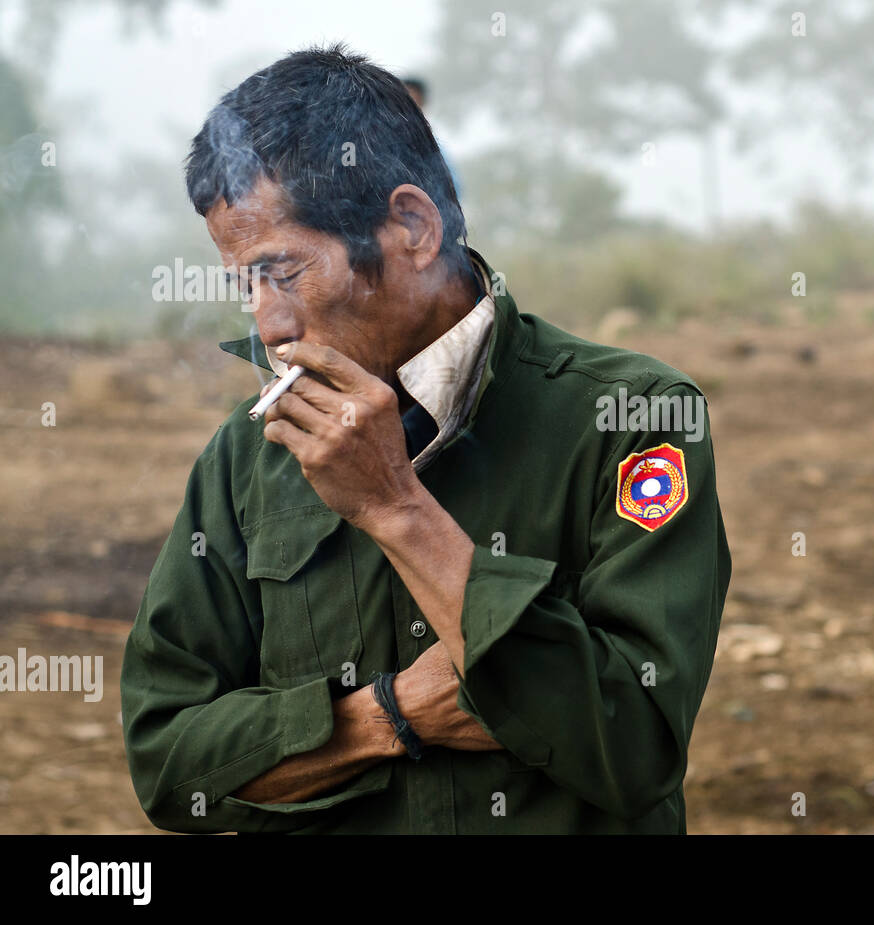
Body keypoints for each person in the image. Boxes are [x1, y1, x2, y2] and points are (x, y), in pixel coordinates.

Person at [119, 44, 730, 834]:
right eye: (245, 283)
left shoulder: (632, 419)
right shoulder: (248, 457)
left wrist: (396, 506)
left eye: (284, 270)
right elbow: (168, 763)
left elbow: (636, 745)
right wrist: (385, 717)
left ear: (411, 225)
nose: (268, 324)